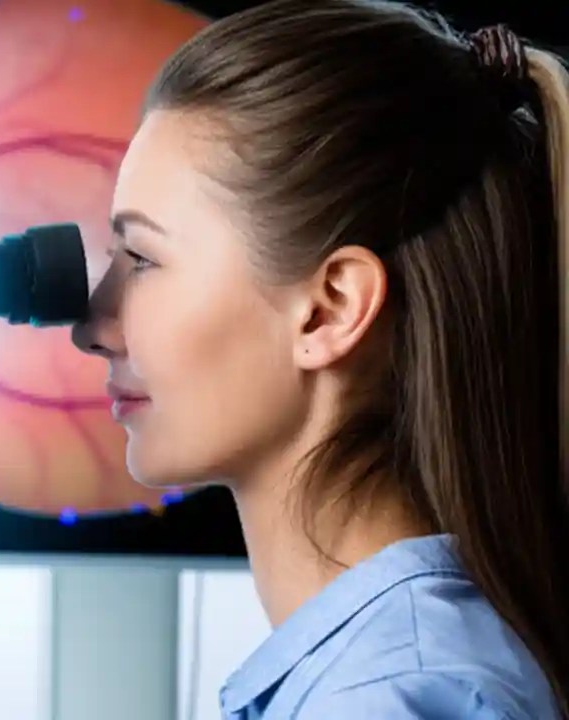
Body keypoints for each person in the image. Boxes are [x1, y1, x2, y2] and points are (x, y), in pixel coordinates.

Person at [70, 0, 569, 717]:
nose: (93, 325)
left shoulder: (388, 698)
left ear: (331, 309)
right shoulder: (413, 669)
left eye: (143, 258)